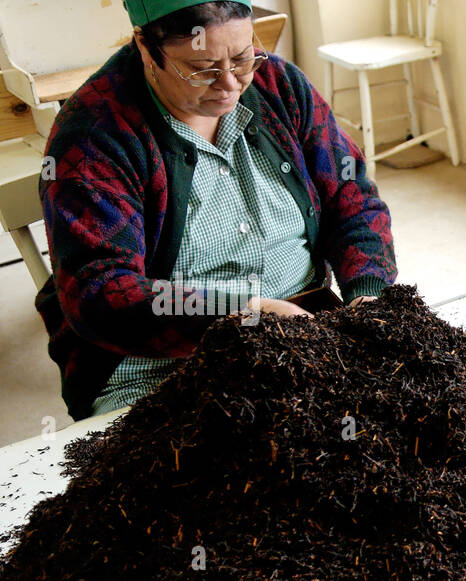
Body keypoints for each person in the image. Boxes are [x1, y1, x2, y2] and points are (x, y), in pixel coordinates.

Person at [38, 0, 398, 420]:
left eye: (243, 58)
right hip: (159, 369)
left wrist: (367, 293)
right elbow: (98, 293)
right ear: (144, 45)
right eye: (202, 67)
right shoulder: (94, 136)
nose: (229, 84)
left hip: (307, 328)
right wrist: (243, 314)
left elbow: (352, 197)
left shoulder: (278, 85)